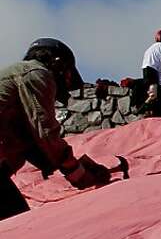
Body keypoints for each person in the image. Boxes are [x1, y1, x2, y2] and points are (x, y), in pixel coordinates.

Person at [0, 38, 111, 220]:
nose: (66, 82)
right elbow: (44, 131)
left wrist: (56, 163)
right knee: (17, 225)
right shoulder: (37, 73)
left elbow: (30, 140)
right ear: (57, 62)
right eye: (67, 74)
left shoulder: (14, 80)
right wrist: (78, 173)